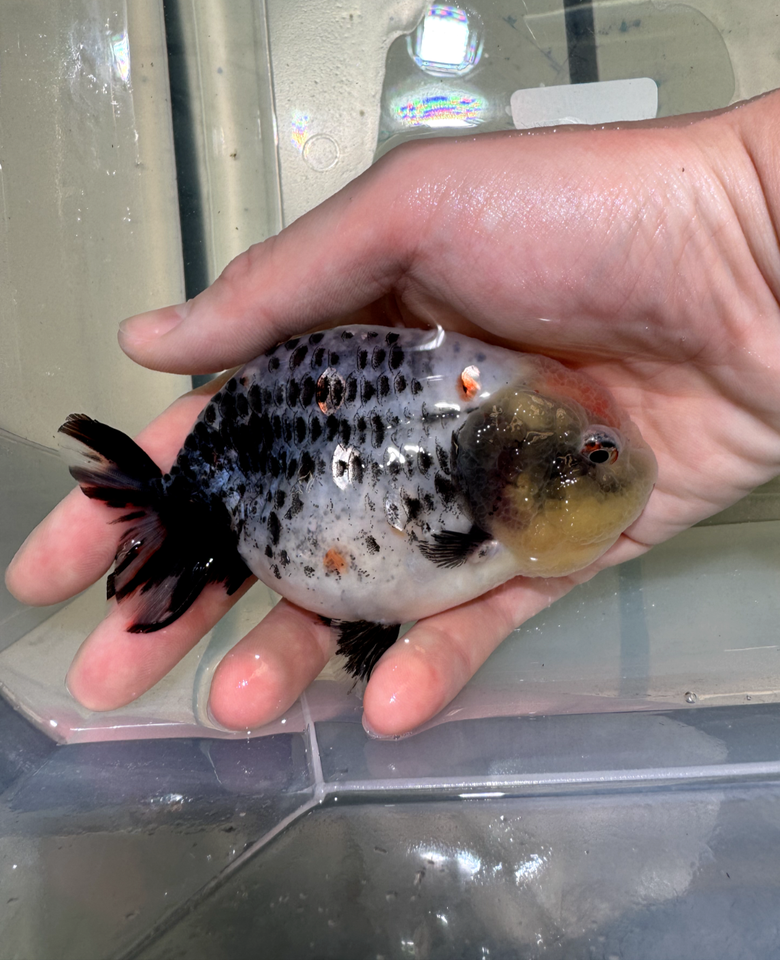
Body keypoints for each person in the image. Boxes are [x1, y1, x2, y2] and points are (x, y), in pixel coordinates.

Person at [6, 90, 780, 738]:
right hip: (264, 466)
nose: (609, 459)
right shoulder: (482, 473)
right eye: (596, 453)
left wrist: (746, 217)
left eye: (597, 452)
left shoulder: (488, 472)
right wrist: (745, 219)